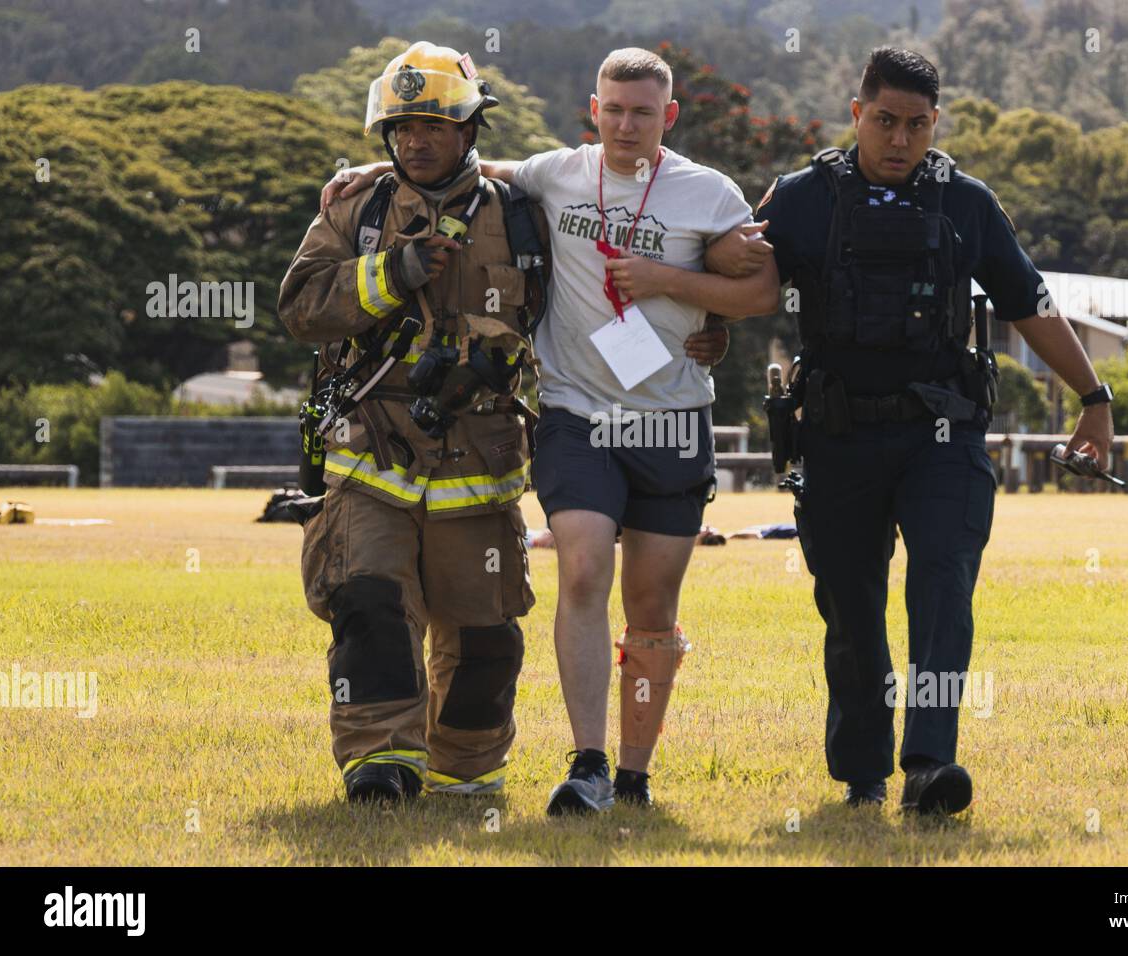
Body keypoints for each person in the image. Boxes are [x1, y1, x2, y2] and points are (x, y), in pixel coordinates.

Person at [324, 47, 779, 813]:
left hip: (672, 421)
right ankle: (588, 763)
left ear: (667, 116)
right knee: (581, 571)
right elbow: (473, 165)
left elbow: (761, 290)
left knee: (652, 605)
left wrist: (672, 285)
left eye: (642, 111)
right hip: (576, 414)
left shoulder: (708, 191)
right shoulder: (556, 173)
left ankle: (633, 775)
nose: (625, 123)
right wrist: (376, 173)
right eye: (613, 108)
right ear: (591, 110)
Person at [717, 47, 1115, 815]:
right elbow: (740, 277)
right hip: (837, 438)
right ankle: (863, 771)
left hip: (944, 437)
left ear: (936, 123)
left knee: (943, 587)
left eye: (918, 125)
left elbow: (1028, 303)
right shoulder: (802, 198)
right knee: (851, 604)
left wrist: (1093, 396)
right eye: (886, 121)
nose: (901, 140)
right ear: (857, 112)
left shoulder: (965, 201)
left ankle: (931, 764)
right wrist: (706, 328)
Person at [278, 41, 541, 803]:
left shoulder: (522, 216)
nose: (415, 142)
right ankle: (380, 764)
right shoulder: (355, 209)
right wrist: (389, 273)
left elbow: (577, 308)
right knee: (368, 601)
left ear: (469, 131)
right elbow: (299, 308)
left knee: (485, 630)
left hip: (479, 457)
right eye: (402, 128)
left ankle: (465, 766)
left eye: (432, 125)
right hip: (370, 453)